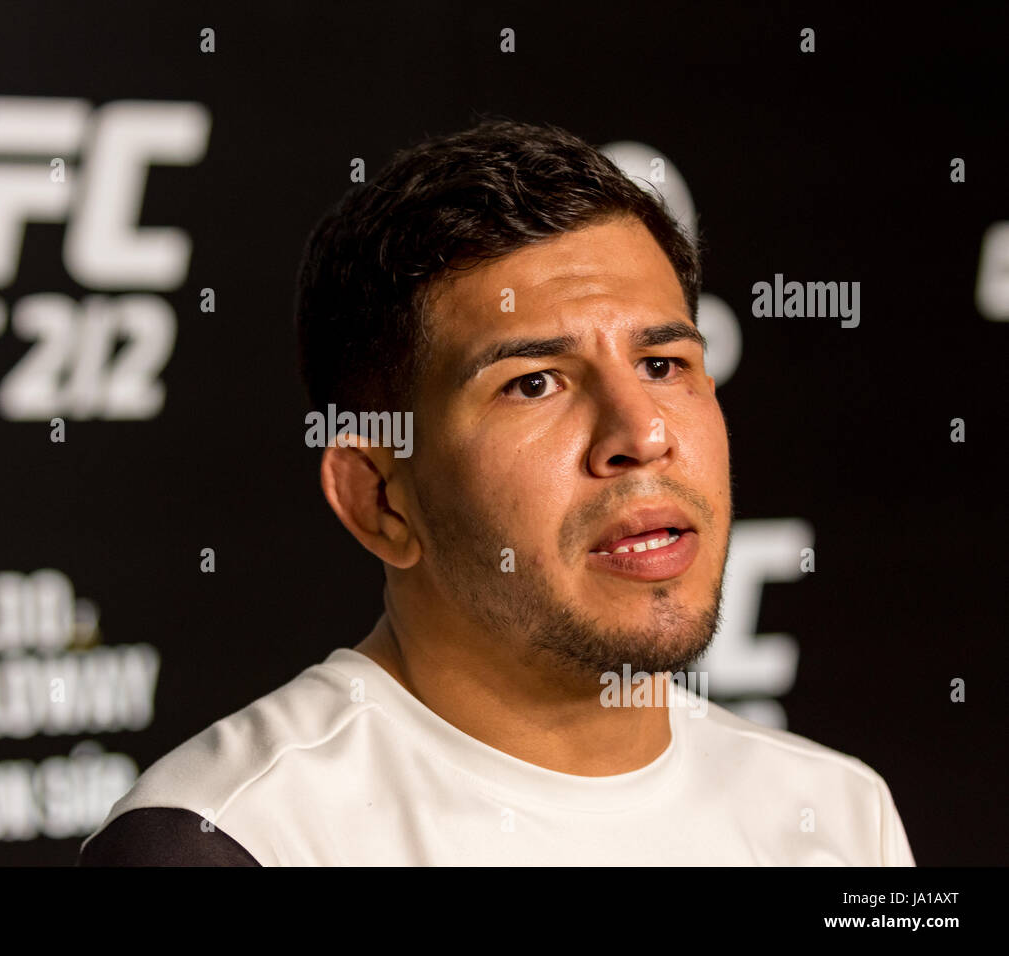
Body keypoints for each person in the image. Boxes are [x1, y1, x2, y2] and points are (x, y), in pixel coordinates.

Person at [79, 117, 914, 866]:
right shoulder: (229, 842)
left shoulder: (839, 815)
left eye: (663, 365)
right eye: (535, 384)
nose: (642, 434)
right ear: (380, 497)